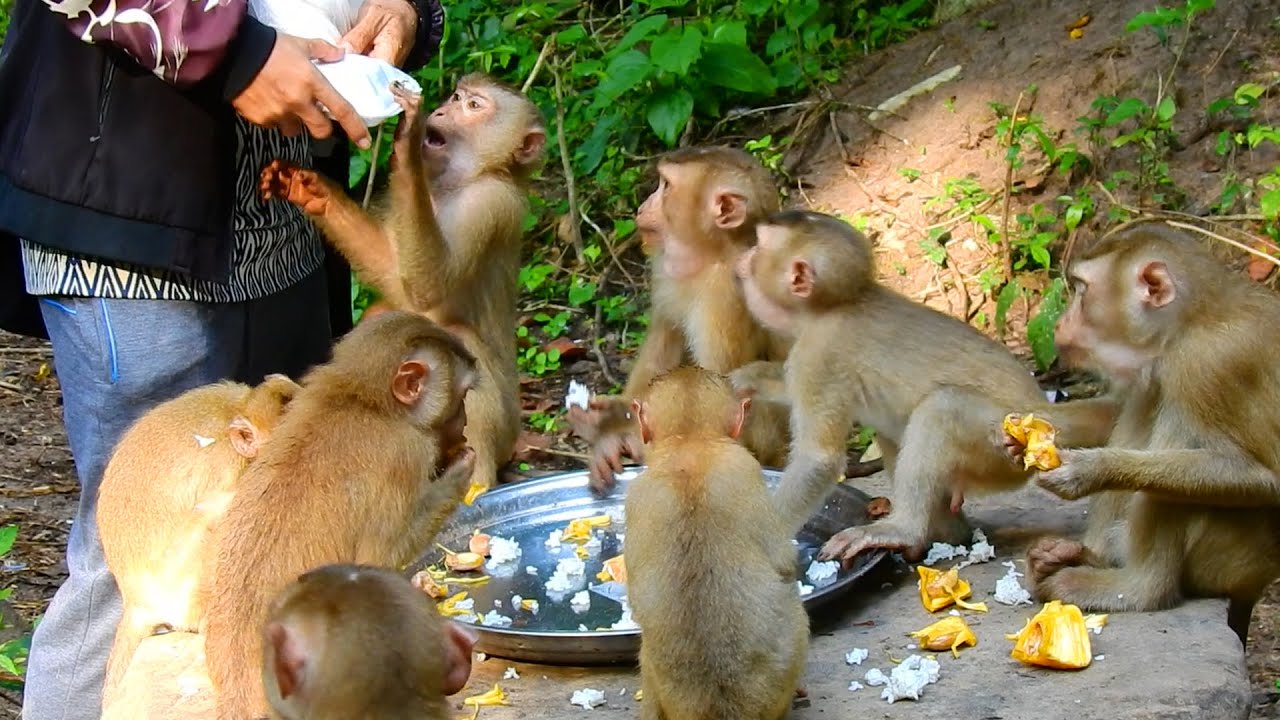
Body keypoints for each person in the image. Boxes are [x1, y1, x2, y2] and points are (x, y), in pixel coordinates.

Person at [0, 0, 444, 718]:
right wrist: (233, 52)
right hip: (131, 219)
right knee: (133, 583)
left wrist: (404, 11)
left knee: (293, 544)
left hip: (281, 227)